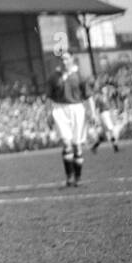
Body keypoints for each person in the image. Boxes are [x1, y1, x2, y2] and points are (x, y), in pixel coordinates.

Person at [47, 51, 90, 185]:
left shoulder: (79, 75)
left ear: (72, 59)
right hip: (59, 109)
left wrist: (92, 113)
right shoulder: (54, 77)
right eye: (62, 59)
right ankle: (69, 177)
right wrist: (48, 114)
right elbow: (49, 97)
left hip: (77, 109)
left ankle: (78, 177)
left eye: (66, 59)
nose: (64, 62)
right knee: (66, 142)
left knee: (77, 145)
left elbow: (88, 95)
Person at [89, 82, 121, 153]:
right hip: (103, 114)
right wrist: (97, 117)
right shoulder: (99, 97)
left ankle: (94, 147)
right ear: (101, 89)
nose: (106, 90)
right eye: (104, 88)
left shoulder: (107, 96)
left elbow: (115, 94)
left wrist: (114, 86)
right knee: (111, 129)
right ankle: (115, 147)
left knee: (104, 134)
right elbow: (97, 108)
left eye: (106, 88)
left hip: (107, 113)